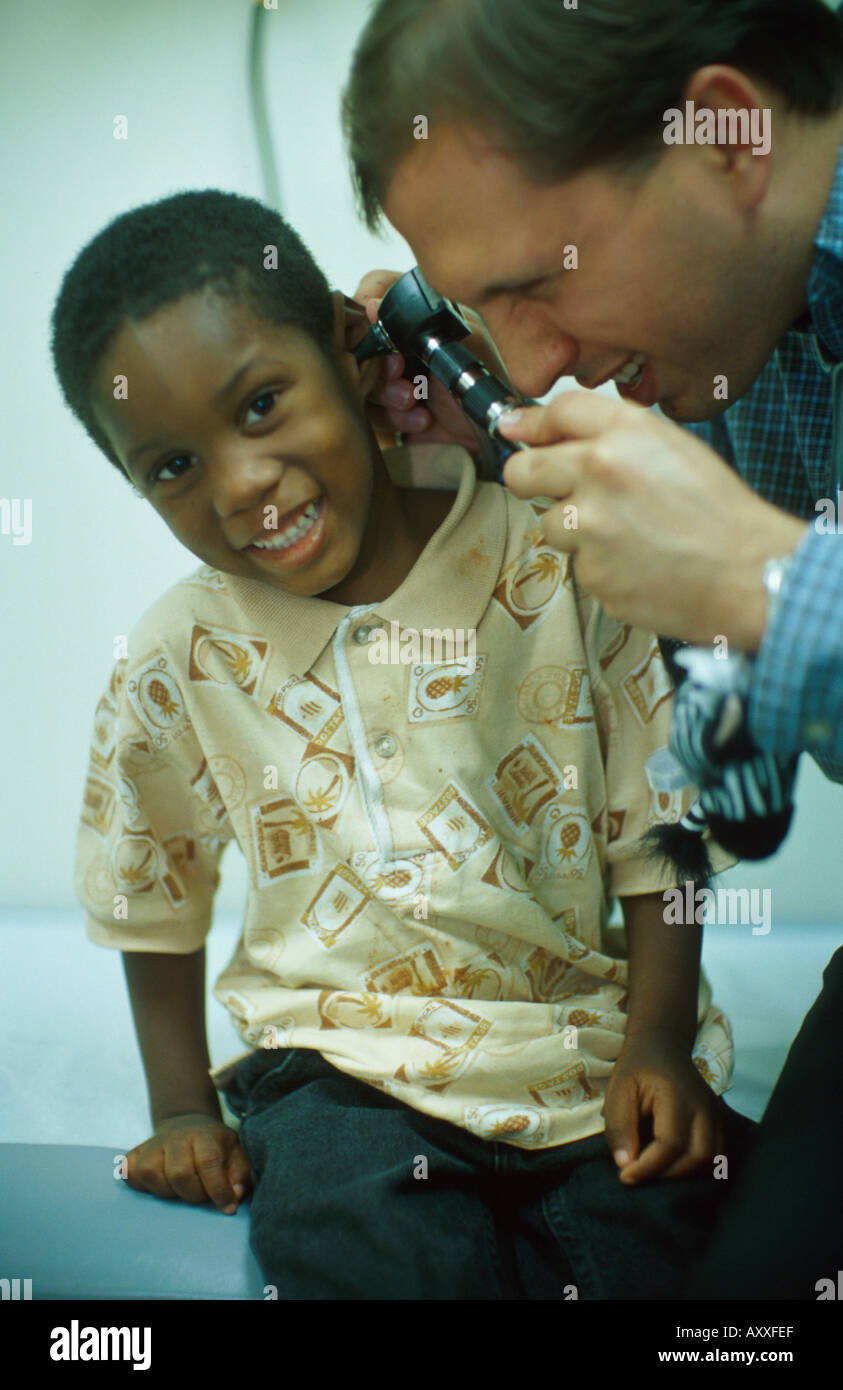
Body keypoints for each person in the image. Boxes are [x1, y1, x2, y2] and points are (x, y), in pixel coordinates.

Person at [52, 188, 750, 1301]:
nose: (241, 485)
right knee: (365, 1245)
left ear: (353, 347)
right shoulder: (178, 653)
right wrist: (183, 1105)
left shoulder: (553, 557)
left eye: (264, 403)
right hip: (339, 1069)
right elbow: (153, 887)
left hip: (576, 1048)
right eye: (172, 468)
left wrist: (658, 1036)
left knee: (679, 1239)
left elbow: (657, 819)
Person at [341, 0, 843, 1298]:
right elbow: (749, 803)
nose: (532, 359)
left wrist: (760, 578)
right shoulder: (721, 354)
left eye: (534, 280)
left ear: (729, 137)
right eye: (472, 306)